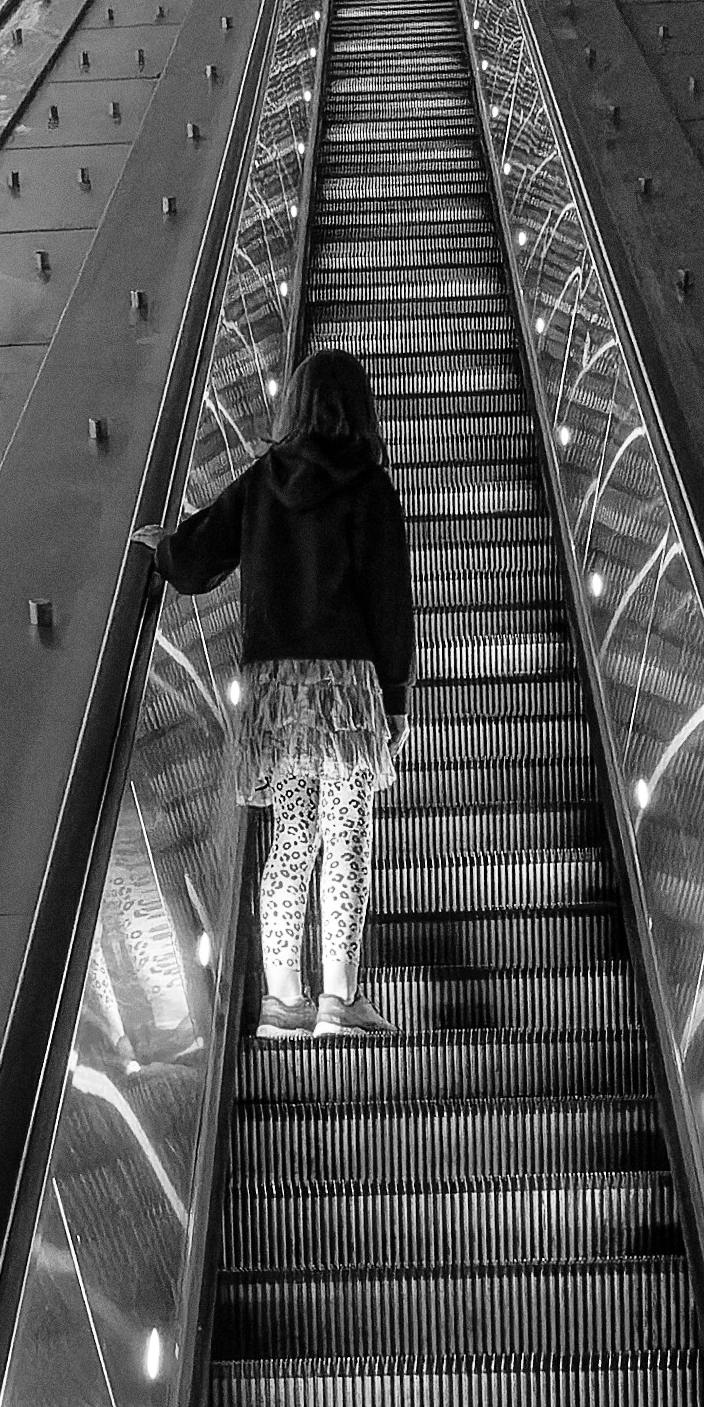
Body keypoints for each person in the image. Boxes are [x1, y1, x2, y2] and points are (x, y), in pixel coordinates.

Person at [153, 344, 416, 1037]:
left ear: (293, 405)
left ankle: (282, 1000)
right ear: (360, 409)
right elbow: (392, 603)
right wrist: (395, 700)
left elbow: (197, 557)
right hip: (345, 691)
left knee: (293, 835)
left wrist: (162, 547)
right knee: (347, 835)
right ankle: (340, 1000)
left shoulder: (262, 480)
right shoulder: (369, 488)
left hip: (275, 690)